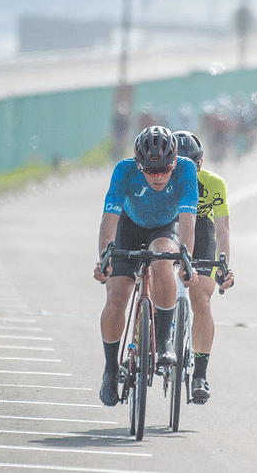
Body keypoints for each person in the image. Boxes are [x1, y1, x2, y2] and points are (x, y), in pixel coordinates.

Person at [93, 125, 200, 406]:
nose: (158, 177)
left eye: (164, 170)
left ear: (174, 162)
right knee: (116, 297)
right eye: (150, 171)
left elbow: (188, 221)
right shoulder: (124, 170)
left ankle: (164, 340)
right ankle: (110, 368)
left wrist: (186, 258)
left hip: (166, 226)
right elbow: (109, 219)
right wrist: (104, 257)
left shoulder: (186, 170)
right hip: (129, 226)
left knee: (164, 261)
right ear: (138, 165)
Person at [174, 131, 235, 403]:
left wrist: (223, 266)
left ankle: (199, 374)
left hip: (201, 232)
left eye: (193, 164)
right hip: (169, 226)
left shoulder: (213, 183)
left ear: (201, 163)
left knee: (201, 299)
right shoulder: (161, 180)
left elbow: (222, 231)